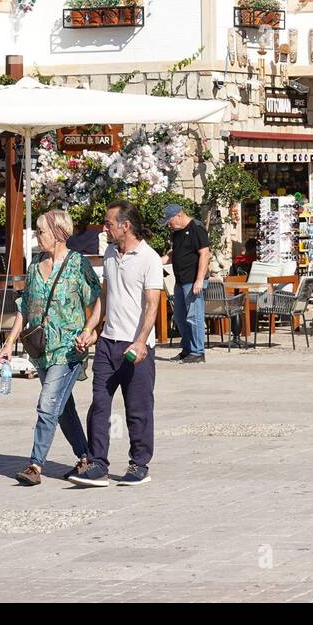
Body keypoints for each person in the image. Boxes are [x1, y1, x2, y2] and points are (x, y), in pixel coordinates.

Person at [0, 210, 102, 486]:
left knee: (47, 405)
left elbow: (98, 301)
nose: (36, 236)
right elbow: (24, 307)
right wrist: (8, 344)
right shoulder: (34, 266)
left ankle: (35, 465)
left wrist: (90, 331)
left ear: (57, 234)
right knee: (62, 407)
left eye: (40, 231)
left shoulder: (78, 265)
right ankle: (85, 457)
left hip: (68, 349)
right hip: (41, 349)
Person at [73, 200, 163, 487]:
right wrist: (91, 329)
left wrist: (140, 342)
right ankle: (98, 462)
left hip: (136, 348)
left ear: (125, 226)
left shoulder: (149, 258)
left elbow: (152, 305)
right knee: (99, 404)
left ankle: (139, 464)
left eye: (109, 223)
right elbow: (105, 295)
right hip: (108, 344)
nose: (105, 227)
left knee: (137, 409)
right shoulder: (110, 252)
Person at [161, 203, 209, 364]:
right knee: (180, 317)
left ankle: (197, 352)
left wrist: (199, 280)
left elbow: (204, 254)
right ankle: (187, 349)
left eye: (170, 220)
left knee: (194, 316)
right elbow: (174, 254)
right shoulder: (177, 232)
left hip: (193, 281)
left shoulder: (196, 228)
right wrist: (156, 261)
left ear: (179, 215)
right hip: (180, 281)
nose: (169, 224)